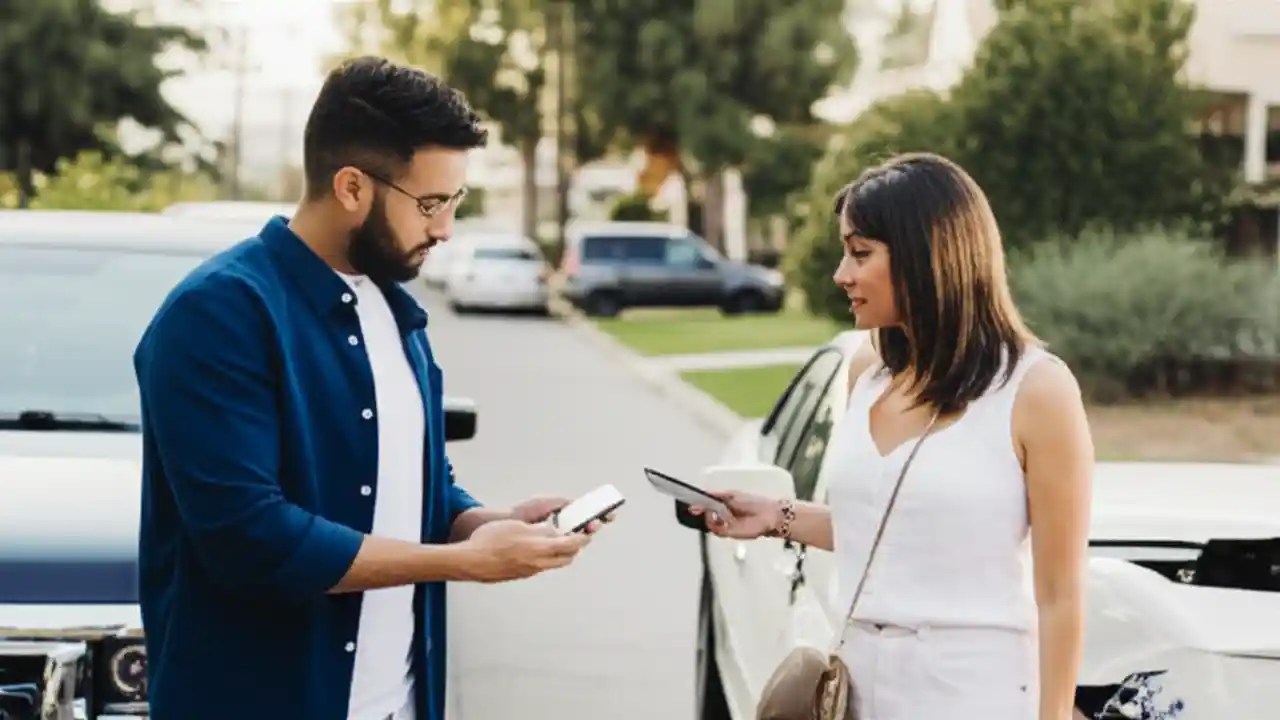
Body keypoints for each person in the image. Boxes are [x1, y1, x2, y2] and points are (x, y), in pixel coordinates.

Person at [133, 56, 600, 720]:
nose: (443, 230)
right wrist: (461, 562)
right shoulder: (218, 314)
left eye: (453, 204)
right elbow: (253, 541)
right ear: (351, 187)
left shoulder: (392, 307)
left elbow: (405, 483)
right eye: (431, 204)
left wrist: (484, 523)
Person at [690, 153, 1093, 720]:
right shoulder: (867, 371)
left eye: (860, 253)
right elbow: (887, 525)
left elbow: (1062, 595)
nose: (841, 274)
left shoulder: (1037, 390)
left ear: (928, 258)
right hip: (855, 689)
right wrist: (774, 516)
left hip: (973, 695)